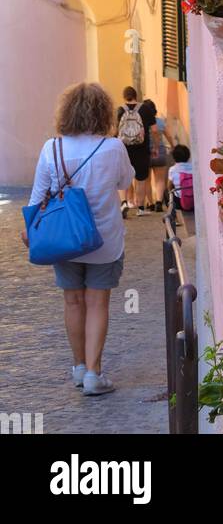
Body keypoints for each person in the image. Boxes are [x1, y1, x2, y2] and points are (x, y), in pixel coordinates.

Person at [24, 81, 135, 397]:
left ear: (67, 113)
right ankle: (93, 374)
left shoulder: (52, 148)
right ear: (102, 113)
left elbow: (36, 198)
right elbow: (126, 181)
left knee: (72, 301)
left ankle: (77, 368)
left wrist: (30, 232)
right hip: (104, 239)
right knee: (97, 302)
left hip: (63, 240)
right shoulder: (113, 147)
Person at [116, 86, 157, 216]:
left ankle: (124, 203)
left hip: (124, 149)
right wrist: (155, 147)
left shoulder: (120, 110)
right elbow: (155, 130)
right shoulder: (145, 109)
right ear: (136, 96)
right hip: (142, 149)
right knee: (140, 178)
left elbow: (114, 131)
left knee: (122, 176)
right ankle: (140, 208)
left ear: (124, 97)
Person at [148, 116, 170, 211]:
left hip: (146, 152)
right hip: (160, 151)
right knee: (160, 179)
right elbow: (168, 135)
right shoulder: (160, 121)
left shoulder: (143, 120)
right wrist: (173, 146)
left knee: (146, 181)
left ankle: (150, 203)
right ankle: (159, 202)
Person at [166, 144, 194, 214]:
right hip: (194, 200)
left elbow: (169, 186)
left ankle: (174, 216)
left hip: (179, 203)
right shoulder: (194, 167)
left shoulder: (172, 169)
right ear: (188, 156)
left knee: (166, 193)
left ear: (174, 157)